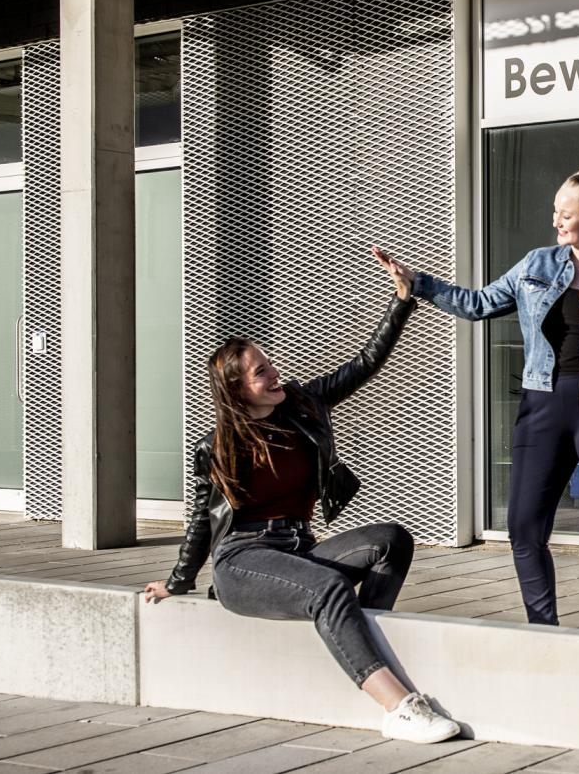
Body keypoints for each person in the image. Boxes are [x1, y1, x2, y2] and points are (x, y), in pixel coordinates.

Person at [143, 247, 461, 744]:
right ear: (237, 390)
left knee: (391, 540)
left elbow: (364, 364)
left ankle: (369, 645)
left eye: (270, 366)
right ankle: (399, 707)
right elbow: (201, 523)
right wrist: (176, 582)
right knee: (328, 589)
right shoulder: (217, 447)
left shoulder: (302, 408)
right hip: (243, 559)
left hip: (299, 549)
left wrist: (401, 302)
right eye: (261, 373)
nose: (275, 376)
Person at [398, 168, 579, 633]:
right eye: (555, 211)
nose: (556, 221)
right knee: (524, 526)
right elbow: (477, 303)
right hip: (542, 407)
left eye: (567, 213)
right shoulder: (536, 266)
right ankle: (542, 629)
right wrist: (418, 283)